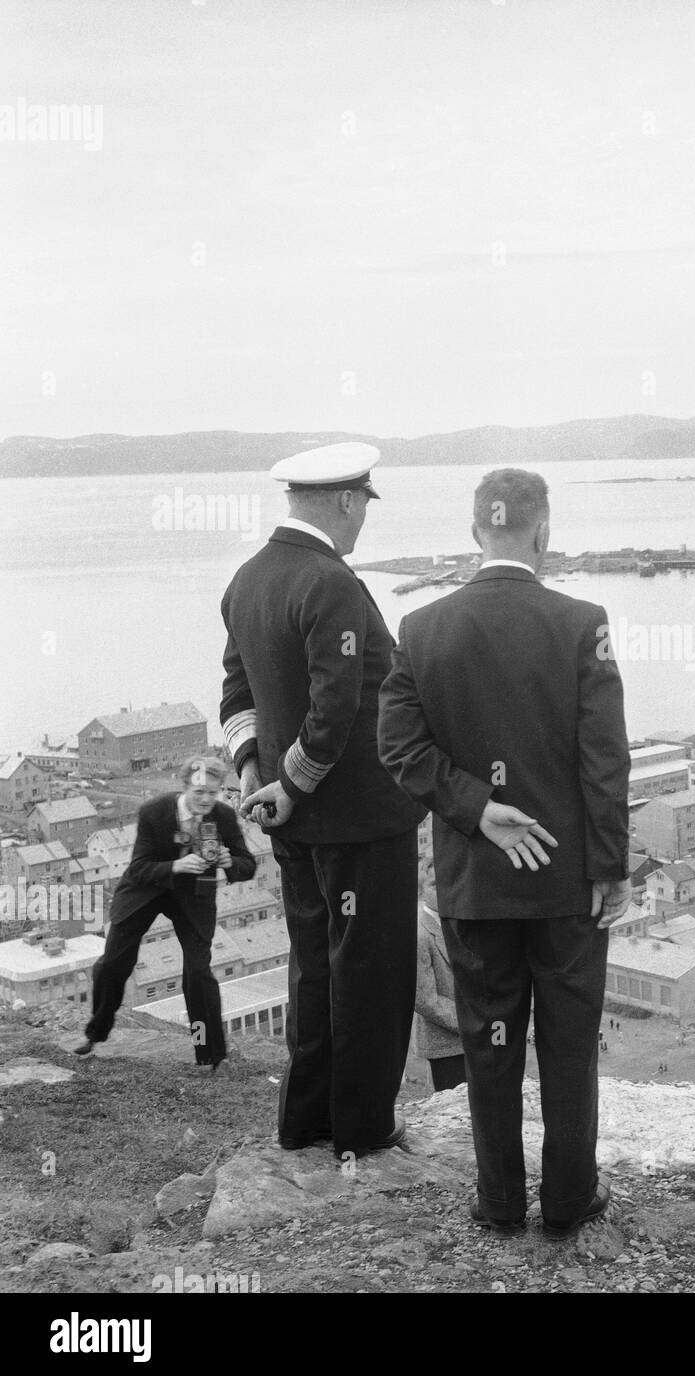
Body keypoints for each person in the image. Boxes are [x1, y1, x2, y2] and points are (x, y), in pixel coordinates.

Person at [221, 443, 550, 1159]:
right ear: (345, 500)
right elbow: (336, 708)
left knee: (313, 966)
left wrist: (254, 770)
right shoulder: (329, 583)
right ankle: (365, 1128)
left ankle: (306, 1120)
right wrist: (295, 780)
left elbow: (236, 692)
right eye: (364, 505)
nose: (363, 519)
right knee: (371, 972)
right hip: (362, 820)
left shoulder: (248, 579)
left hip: (291, 822)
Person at [379, 467, 630, 1239]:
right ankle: (567, 1201)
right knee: (566, 1045)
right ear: (544, 530)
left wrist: (477, 809)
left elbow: (398, 748)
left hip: (475, 886)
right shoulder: (582, 619)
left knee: (488, 1046)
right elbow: (604, 759)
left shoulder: (422, 629)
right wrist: (611, 867)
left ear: (474, 532)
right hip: (565, 886)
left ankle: (498, 1203)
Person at [74, 757, 254, 1069]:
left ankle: (210, 1056)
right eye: (199, 792)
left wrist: (229, 862)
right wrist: (177, 865)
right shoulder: (154, 811)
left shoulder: (223, 816)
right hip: (147, 887)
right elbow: (139, 867)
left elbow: (247, 865)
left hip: (193, 894)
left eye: (214, 792)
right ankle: (96, 1032)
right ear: (185, 787)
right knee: (114, 963)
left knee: (198, 974)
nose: (206, 800)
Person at [414, 899, 466, 1092]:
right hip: (444, 1045)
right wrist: (470, 1021)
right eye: (433, 884)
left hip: (477, 1038)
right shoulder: (419, 933)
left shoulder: (462, 921)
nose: (440, 890)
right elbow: (424, 999)